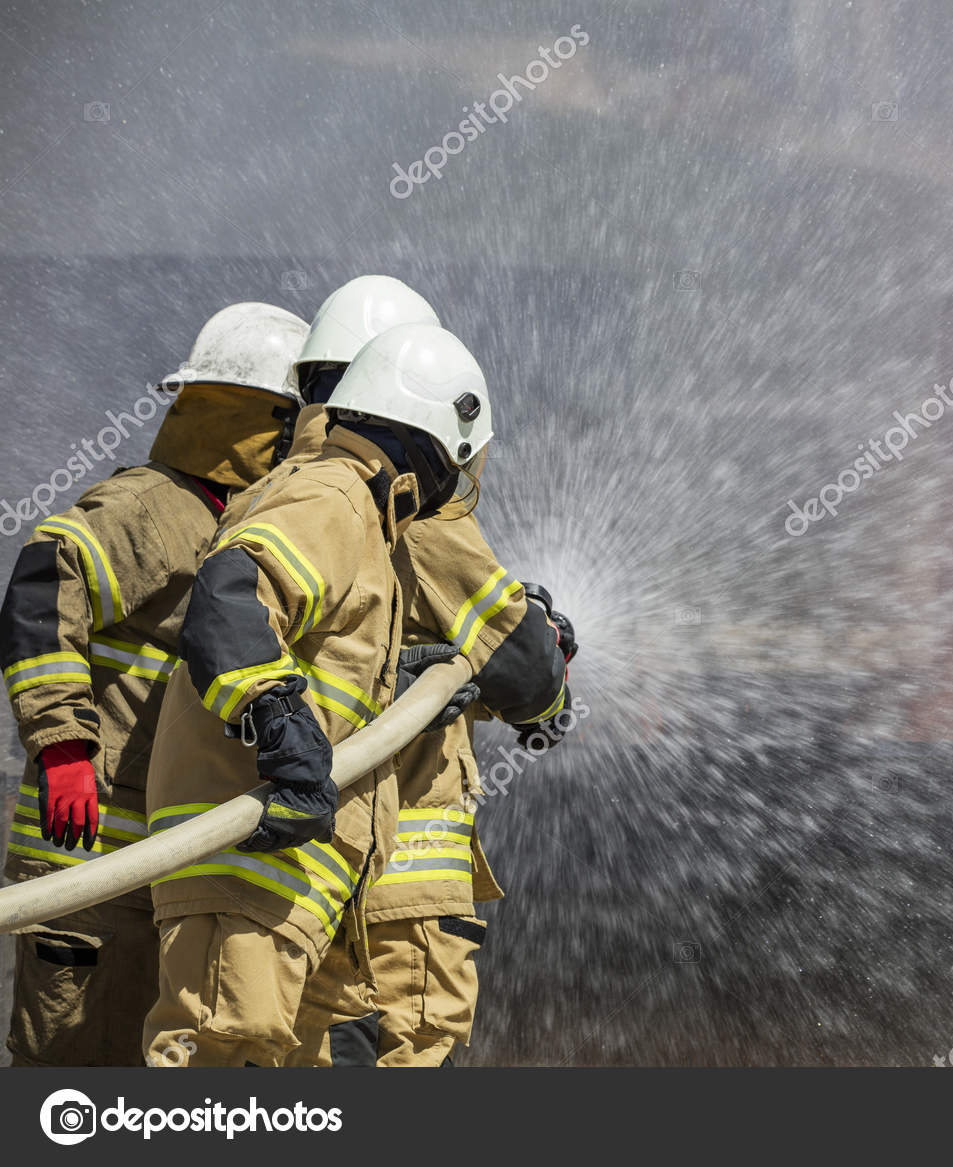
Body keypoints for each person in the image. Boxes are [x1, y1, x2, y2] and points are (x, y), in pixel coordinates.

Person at [140, 323, 494, 1067]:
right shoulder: (333, 493)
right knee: (218, 1059)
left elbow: (311, 641)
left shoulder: (359, 516)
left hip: (294, 871)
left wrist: (400, 681)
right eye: (449, 467)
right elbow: (234, 595)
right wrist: (278, 720)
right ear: (428, 443)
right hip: (245, 858)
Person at [263, 278, 576, 1066]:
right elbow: (527, 671)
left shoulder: (269, 490)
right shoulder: (420, 512)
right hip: (394, 881)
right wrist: (543, 654)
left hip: (287, 863)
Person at [0, 302, 309, 1065]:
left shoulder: (228, 524)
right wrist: (63, 743)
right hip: (88, 861)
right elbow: (44, 582)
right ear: (265, 421)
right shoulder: (158, 507)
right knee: (75, 1073)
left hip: (154, 865)